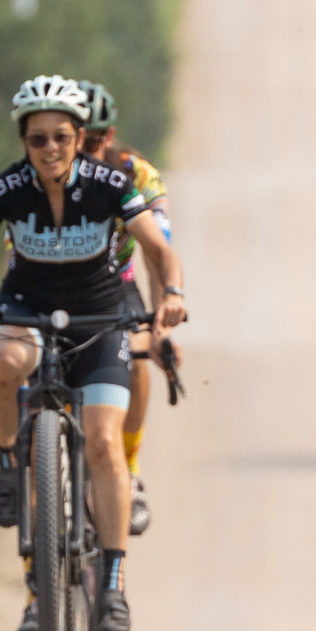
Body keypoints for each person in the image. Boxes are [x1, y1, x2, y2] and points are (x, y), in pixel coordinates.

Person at [0, 75, 187, 631]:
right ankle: (10, 467)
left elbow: (159, 252)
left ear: (80, 138)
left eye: (62, 137)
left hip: (100, 315)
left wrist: (173, 298)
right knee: (5, 362)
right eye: (38, 140)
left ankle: (111, 581)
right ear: (24, 142)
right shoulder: (7, 189)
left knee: (105, 443)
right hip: (28, 307)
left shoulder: (113, 183)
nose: (51, 149)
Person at [77, 78, 178, 536]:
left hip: (116, 285)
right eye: (78, 139)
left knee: (135, 358)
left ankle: (129, 469)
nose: (86, 151)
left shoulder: (137, 174)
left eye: (95, 140)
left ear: (110, 136)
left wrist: (162, 322)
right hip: (50, 286)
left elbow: (160, 254)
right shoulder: (44, 168)